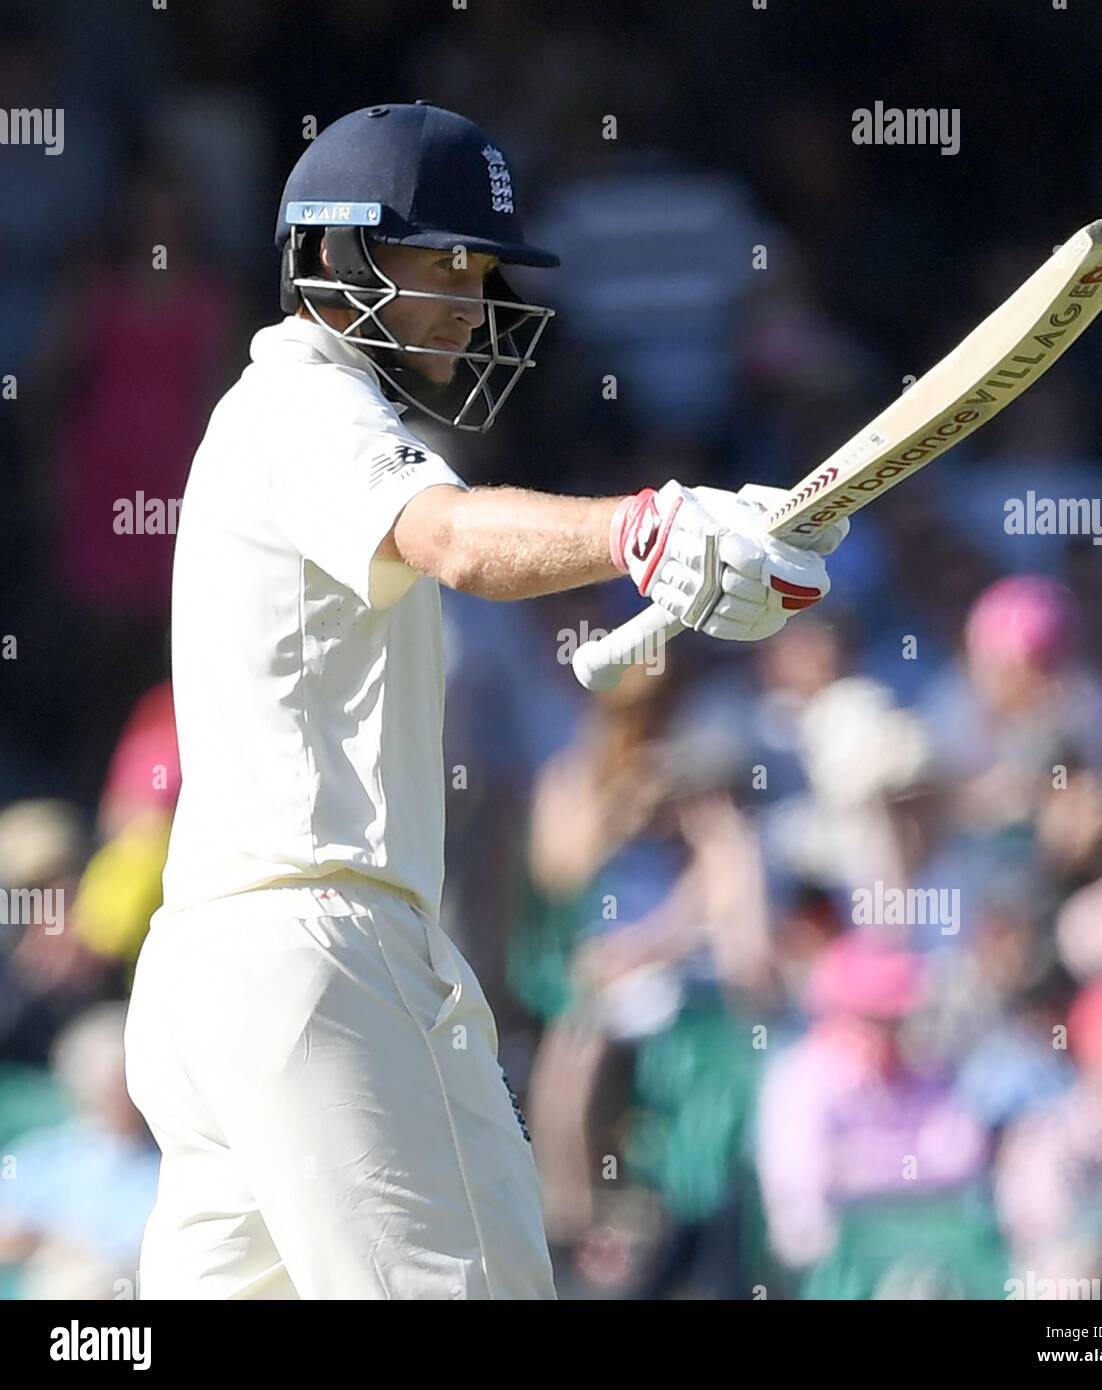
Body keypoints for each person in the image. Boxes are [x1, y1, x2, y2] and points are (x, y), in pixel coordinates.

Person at [121, 102, 846, 1300]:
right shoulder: (309, 406)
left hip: (211, 975)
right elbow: (452, 536)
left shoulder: (269, 424)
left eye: (482, 266)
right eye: (441, 261)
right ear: (333, 256)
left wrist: (679, 564)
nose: (471, 296)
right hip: (324, 950)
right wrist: (642, 524)